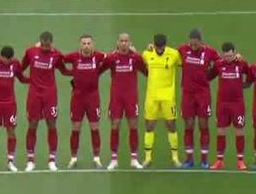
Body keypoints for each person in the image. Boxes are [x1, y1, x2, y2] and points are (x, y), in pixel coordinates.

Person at [19, 31, 64, 170]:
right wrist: (28, 80)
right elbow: (20, 69)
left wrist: (81, 74)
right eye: (43, 45)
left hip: (50, 95)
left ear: (51, 43)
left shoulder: (56, 55)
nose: (45, 48)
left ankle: (52, 160)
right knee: (32, 124)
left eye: (47, 45)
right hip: (34, 95)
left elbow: (64, 70)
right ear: (39, 42)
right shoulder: (31, 52)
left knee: (52, 124)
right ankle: (31, 160)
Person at [62, 34, 108, 168]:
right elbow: (59, 59)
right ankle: (73, 158)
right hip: (77, 98)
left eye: (88, 43)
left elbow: (112, 58)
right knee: (75, 128)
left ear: (92, 45)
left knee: (94, 128)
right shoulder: (73, 57)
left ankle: (97, 158)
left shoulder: (98, 56)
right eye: (84, 43)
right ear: (80, 45)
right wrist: (70, 72)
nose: (86, 46)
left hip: (93, 98)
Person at [104, 33, 147, 169]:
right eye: (121, 41)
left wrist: (141, 55)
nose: (124, 43)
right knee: (115, 126)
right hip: (116, 98)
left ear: (130, 43)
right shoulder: (112, 58)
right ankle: (114, 159)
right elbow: (97, 70)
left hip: (131, 98)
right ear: (118, 43)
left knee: (133, 126)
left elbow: (148, 72)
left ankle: (134, 158)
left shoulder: (136, 58)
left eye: (126, 41)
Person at [141, 33, 183, 166]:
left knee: (171, 125)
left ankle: (175, 157)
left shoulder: (174, 54)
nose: (159, 49)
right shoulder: (147, 54)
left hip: (168, 97)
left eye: (161, 47)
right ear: (154, 45)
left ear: (165, 45)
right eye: (157, 47)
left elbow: (186, 63)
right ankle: (148, 157)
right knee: (149, 126)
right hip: (152, 97)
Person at [178, 28, 218, 167]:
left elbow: (220, 64)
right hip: (188, 94)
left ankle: (204, 159)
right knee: (188, 126)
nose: (193, 46)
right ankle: (189, 159)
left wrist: (209, 76)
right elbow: (167, 54)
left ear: (201, 42)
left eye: (196, 44)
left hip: (203, 95)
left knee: (203, 125)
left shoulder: (210, 52)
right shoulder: (183, 49)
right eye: (191, 44)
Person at [211, 42, 251, 169]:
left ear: (234, 53)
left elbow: (251, 74)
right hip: (222, 103)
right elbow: (209, 76)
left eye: (230, 55)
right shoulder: (219, 64)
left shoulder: (241, 63)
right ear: (222, 55)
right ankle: (219, 160)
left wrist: (246, 84)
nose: (228, 58)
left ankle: (240, 160)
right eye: (225, 56)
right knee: (221, 131)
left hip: (237, 103)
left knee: (239, 131)